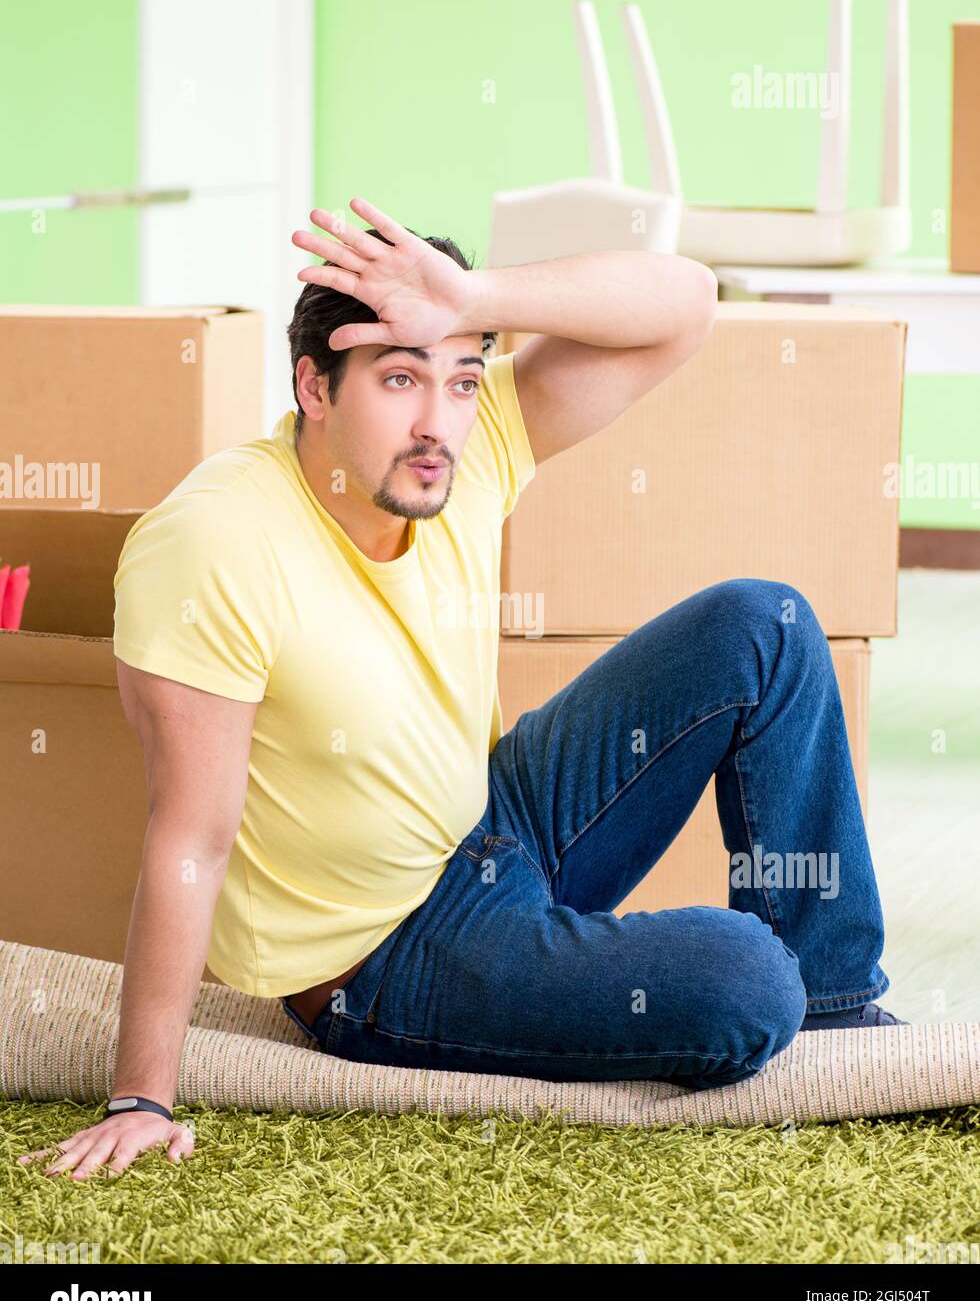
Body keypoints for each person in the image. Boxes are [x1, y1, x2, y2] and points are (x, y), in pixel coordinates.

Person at [18, 196, 902, 1183]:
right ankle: (779, 997)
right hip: (388, 955)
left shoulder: (461, 449)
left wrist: (474, 297)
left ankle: (838, 1025)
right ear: (314, 386)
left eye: (461, 378)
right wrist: (142, 1095)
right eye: (399, 378)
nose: (435, 422)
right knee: (742, 984)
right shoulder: (215, 543)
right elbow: (191, 833)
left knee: (761, 624)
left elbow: (685, 302)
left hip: (495, 821)